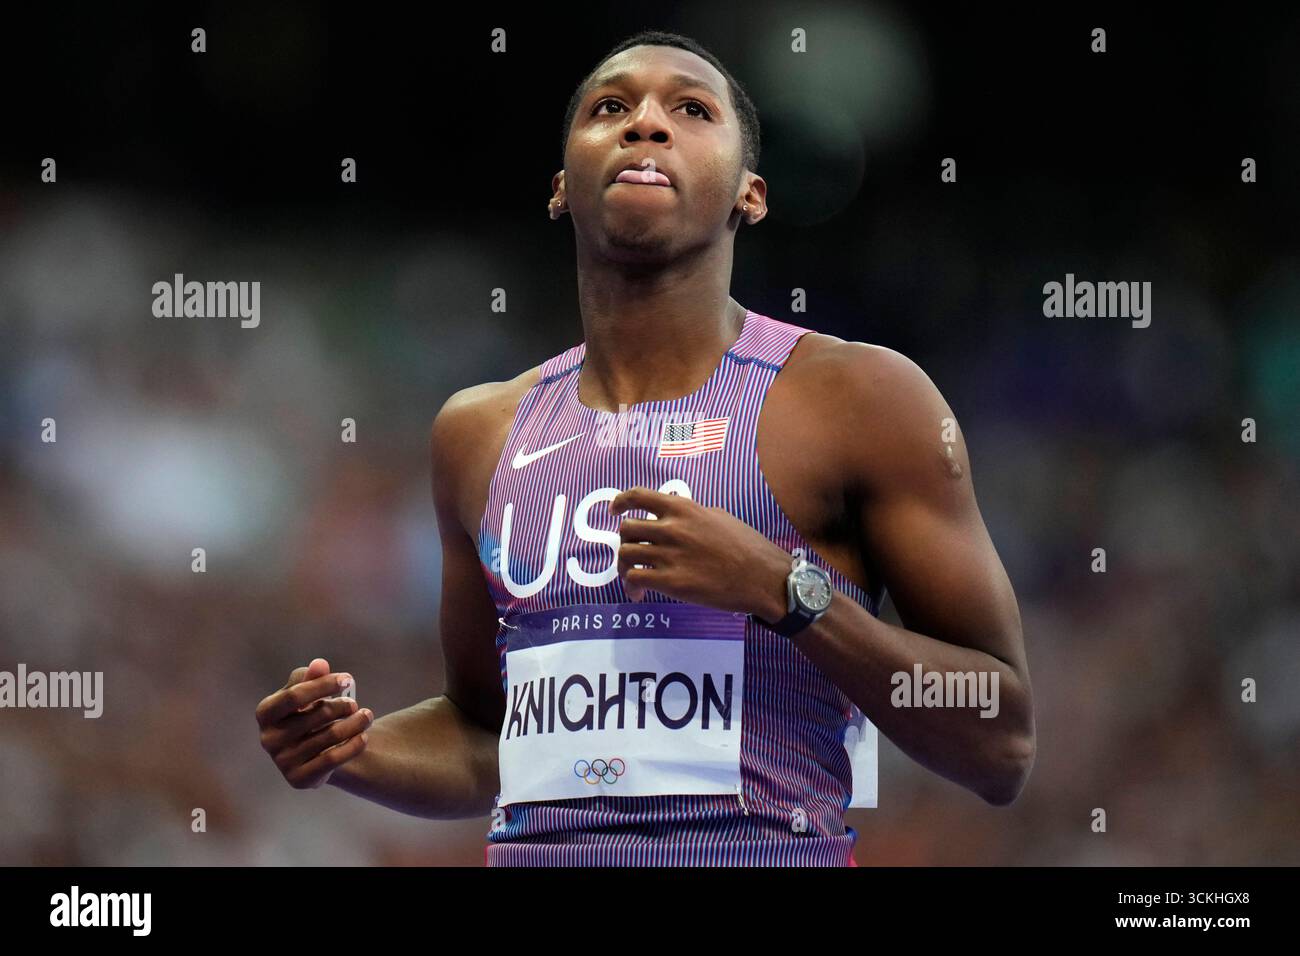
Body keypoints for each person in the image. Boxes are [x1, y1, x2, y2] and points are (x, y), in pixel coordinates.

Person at [255, 30, 1034, 866]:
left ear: (750, 195)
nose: (646, 125)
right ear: (561, 188)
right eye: (611, 108)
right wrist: (357, 752)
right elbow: (490, 734)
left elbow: (1001, 747)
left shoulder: (860, 398)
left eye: (691, 110)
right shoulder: (479, 431)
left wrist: (787, 592)